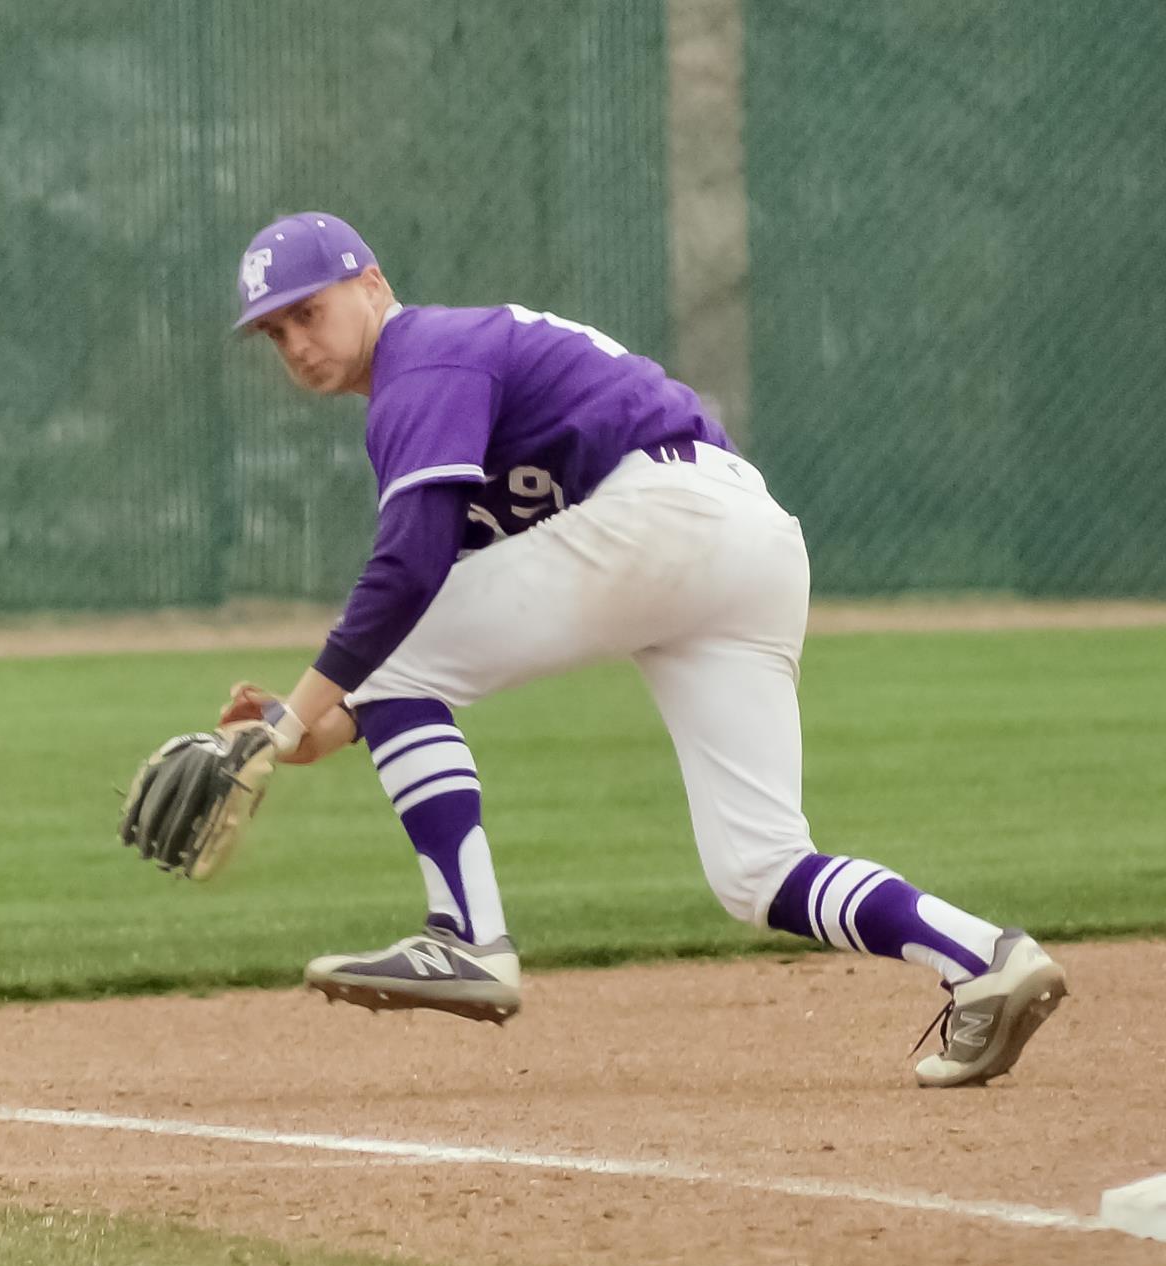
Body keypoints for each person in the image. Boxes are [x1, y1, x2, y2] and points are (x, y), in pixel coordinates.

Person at [217, 211, 1065, 1088]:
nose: (295, 343)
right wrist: (326, 725)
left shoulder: (423, 356)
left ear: (372, 283)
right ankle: (986, 956)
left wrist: (290, 716)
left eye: (306, 312)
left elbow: (407, 573)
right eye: (275, 332)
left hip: (665, 512)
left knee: (395, 646)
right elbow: (435, 609)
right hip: (742, 543)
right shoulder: (431, 383)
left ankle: (465, 933)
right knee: (758, 870)